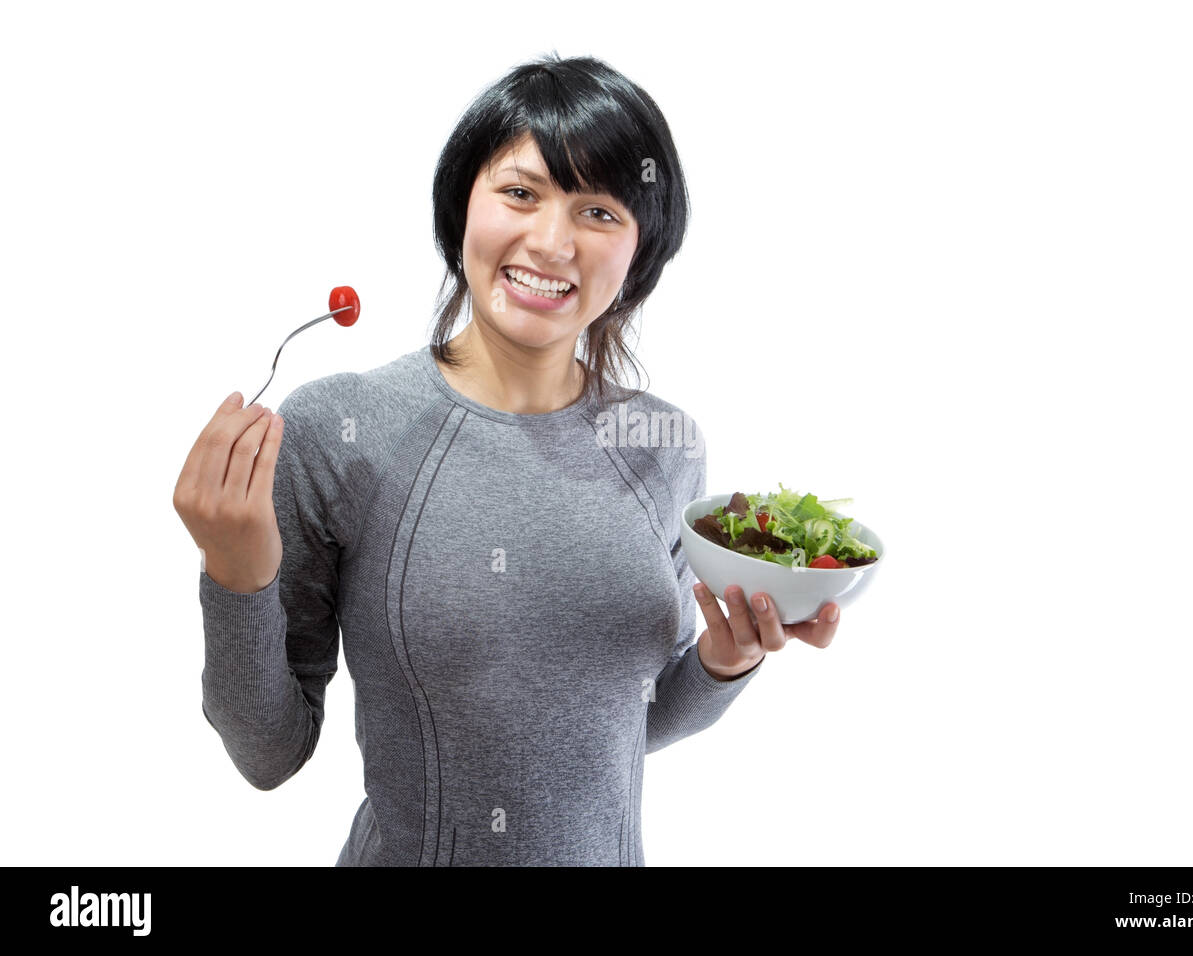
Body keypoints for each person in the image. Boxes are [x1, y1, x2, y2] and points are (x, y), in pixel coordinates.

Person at [172, 52, 843, 866]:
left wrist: (722, 660)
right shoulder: (340, 426)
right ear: (461, 206)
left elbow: (620, 727)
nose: (552, 241)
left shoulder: (666, 450)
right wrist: (236, 575)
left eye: (599, 211)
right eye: (520, 193)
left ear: (640, 253)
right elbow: (269, 754)